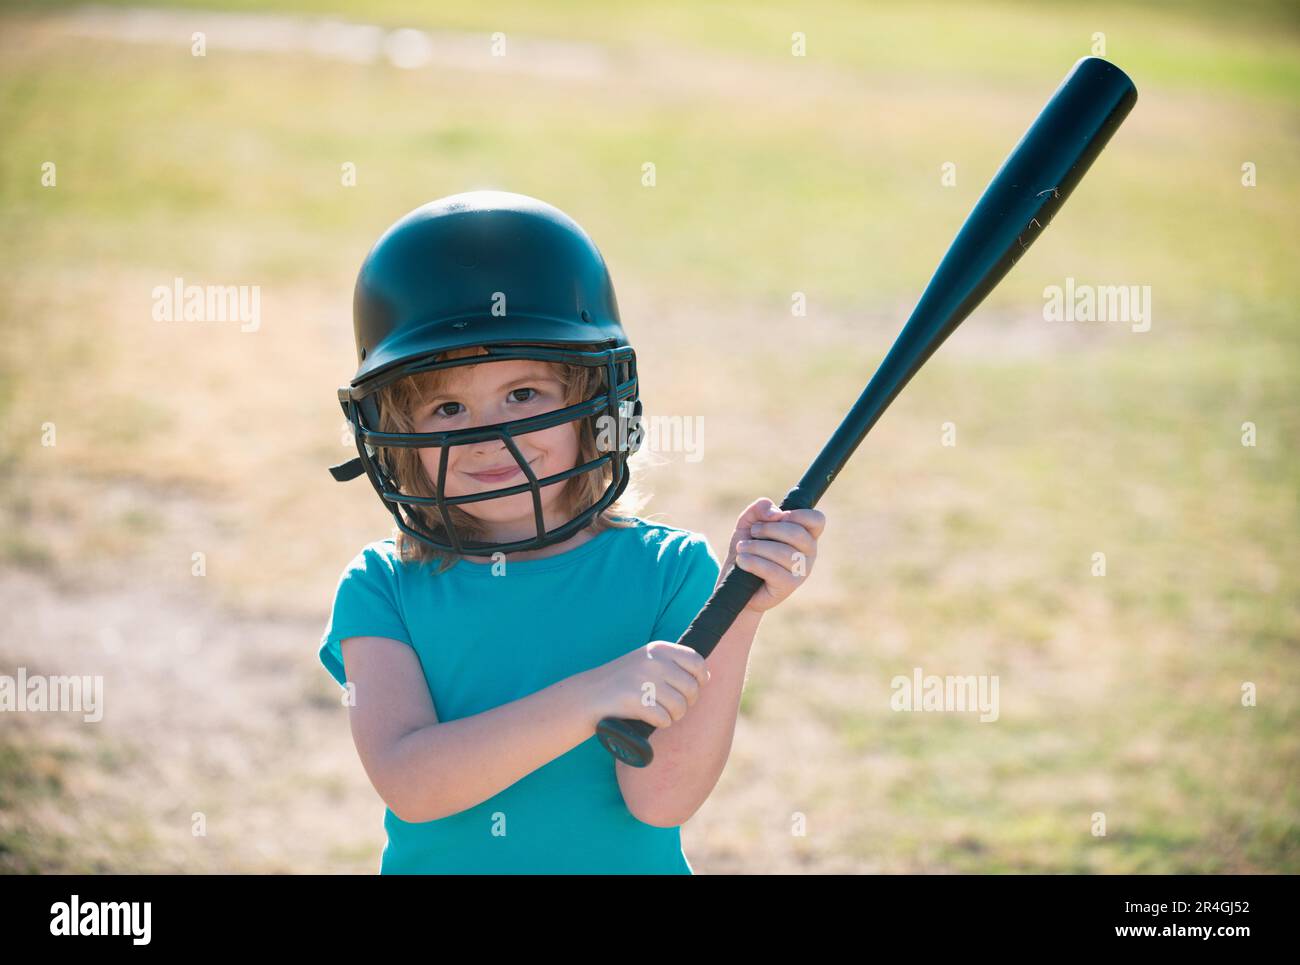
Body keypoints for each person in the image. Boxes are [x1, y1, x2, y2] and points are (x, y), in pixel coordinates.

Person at [320, 190, 826, 873]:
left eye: (524, 395)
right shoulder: (381, 588)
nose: (488, 434)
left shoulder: (670, 571)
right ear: (395, 434)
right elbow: (412, 783)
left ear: (594, 403)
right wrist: (595, 693)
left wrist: (739, 608)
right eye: (447, 405)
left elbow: (662, 799)